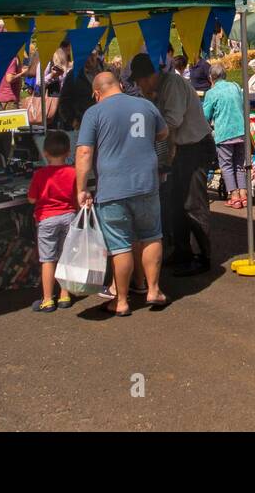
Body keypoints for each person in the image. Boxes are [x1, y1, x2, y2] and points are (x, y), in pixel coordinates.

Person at [75, 71, 170, 316]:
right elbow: (163, 133)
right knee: (151, 235)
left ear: (97, 93)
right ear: (119, 85)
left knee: (120, 245)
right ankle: (153, 289)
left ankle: (122, 301)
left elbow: (84, 152)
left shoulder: (93, 113)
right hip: (146, 183)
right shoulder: (146, 105)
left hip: (112, 187)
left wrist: (81, 188)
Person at [130, 53, 215, 277]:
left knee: (193, 203)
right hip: (180, 149)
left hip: (194, 146)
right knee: (175, 203)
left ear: (147, 77)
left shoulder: (173, 84)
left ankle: (203, 256)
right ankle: (182, 250)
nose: (138, 87)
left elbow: (171, 122)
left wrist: (156, 146)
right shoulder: (158, 89)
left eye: (139, 82)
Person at [27, 129, 79, 313]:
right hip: (68, 216)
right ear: (68, 153)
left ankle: (48, 299)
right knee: (66, 256)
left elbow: (32, 199)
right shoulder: (73, 172)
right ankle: (65, 295)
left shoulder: (40, 175)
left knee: (48, 259)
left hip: (47, 218)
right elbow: (77, 196)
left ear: (45, 153)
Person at [203, 63, 247, 209]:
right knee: (239, 164)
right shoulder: (235, 86)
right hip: (241, 130)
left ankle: (234, 196)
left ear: (211, 78)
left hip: (225, 133)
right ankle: (243, 194)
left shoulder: (212, 92)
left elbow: (205, 116)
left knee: (226, 165)